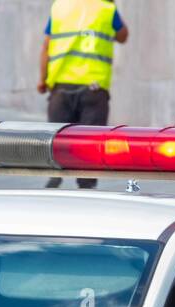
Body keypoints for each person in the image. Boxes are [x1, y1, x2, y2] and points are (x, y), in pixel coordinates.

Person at [38, 0, 129, 189]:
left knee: (57, 135)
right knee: (91, 140)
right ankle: (86, 183)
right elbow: (123, 36)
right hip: (93, 87)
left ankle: (54, 172)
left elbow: (46, 46)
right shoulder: (107, 9)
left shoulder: (59, 6)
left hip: (61, 86)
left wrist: (42, 79)